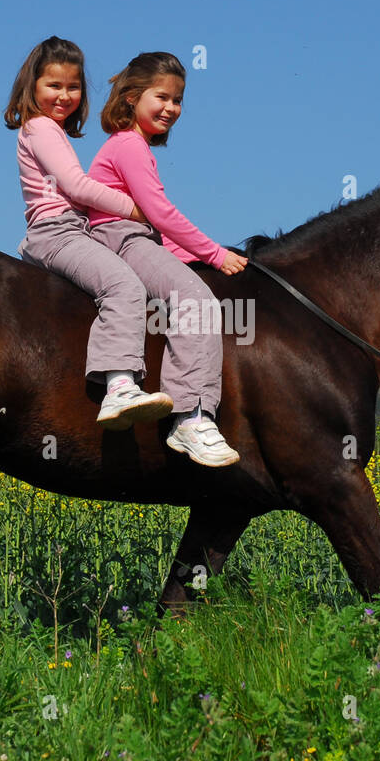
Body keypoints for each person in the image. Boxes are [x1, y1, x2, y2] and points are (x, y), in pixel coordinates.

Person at [3, 36, 172, 431]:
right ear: (33, 87)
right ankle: (118, 386)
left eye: (73, 87)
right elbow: (77, 187)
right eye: (54, 86)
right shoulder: (41, 127)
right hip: (56, 231)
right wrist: (135, 209)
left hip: (71, 229)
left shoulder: (51, 129)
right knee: (123, 287)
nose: (64, 95)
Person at [86, 51, 246, 467]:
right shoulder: (128, 146)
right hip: (122, 238)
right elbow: (158, 213)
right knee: (196, 300)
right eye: (162, 97)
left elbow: (156, 230)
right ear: (130, 98)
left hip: (135, 238)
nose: (172, 108)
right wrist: (213, 253)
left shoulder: (133, 147)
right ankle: (191, 418)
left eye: (178, 100)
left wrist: (199, 256)